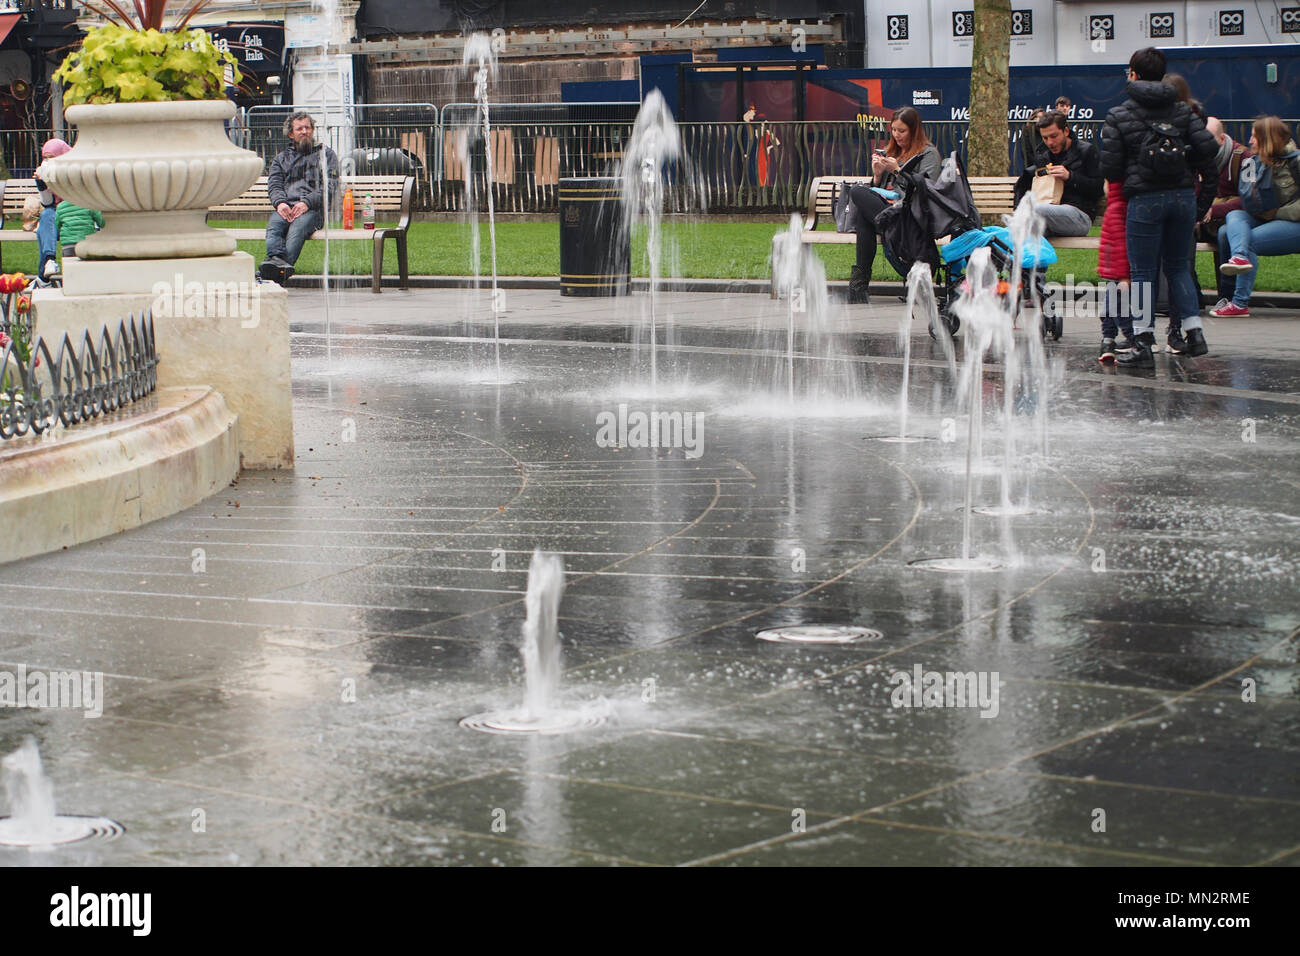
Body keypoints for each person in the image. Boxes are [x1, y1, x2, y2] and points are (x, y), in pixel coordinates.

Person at [1099, 47, 1217, 367]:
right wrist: (1198, 201)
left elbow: (1110, 169)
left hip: (1144, 201)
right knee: (1178, 267)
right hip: (1181, 198)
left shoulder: (1119, 114)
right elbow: (1209, 152)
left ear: (1133, 74)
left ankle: (1143, 345)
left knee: (1142, 274)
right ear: (1163, 75)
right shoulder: (1181, 112)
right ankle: (1194, 333)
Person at [846, 106, 942, 304]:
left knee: (857, 192)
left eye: (902, 131)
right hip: (888, 213)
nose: (897, 135)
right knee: (864, 214)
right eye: (894, 130)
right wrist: (878, 174)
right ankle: (859, 289)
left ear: (914, 131)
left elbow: (926, 190)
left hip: (910, 215)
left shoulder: (928, 155)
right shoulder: (893, 153)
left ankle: (858, 287)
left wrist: (898, 170)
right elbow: (879, 191)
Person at [1212, 116, 1300, 317]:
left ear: (1268, 139)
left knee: (1248, 240)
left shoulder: (1296, 161)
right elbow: (1248, 202)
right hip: (1267, 218)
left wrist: (1277, 213)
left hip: (1293, 222)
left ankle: (1240, 303)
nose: (1250, 141)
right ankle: (1231, 282)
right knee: (1229, 225)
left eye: (1254, 137)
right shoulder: (1252, 163)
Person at [261, 111, 339, 281]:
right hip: (286, 208)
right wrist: (280, 203)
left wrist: (306, 203)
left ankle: (270, 274)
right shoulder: (281, 159)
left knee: (297, 229)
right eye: (299, 129)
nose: (305, 131)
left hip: (313, 211)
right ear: (291, 134)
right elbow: (274, 185)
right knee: (274, 227)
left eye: (308, 127)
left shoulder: (326, 155)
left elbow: (330, 186)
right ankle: (276, 264)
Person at [1020, 110, 1103, 237]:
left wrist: (1070, 177)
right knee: (1026, 232)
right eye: (1045, 138)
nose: (1049, 143)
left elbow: (1098, 189)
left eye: (1054, 136)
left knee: (1036, 211)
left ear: (1066, 131)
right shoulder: (1043, 155)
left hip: (1080, 215)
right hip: (1048, 213)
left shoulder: (1086, 151)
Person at [1201, 116, 1250, 313]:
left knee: (1224, 232)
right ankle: (1186, 294)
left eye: (1209, 139)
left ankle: (1226, 295)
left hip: (1232, 220)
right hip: (1203, 220)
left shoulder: (1244, 157)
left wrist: (1214, 209)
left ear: (1222, 139)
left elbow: (1249, 199)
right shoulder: (1199, 158)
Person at [1096, 179, 1136, 363]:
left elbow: (1119, 246)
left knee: (1115, 302)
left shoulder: (1116, 209)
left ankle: (1129, 337)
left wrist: (1122, 275)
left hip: (1118, 270)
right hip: (1114, 268)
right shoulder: (1121, 207)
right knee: (1112, 301)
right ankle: (1109, 338)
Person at [34, 138, 71, 278]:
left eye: (52, 157)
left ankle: (42, 279)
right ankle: (50, 260)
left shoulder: (74, 170)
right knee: (46, 215)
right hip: (55, 217)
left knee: (42, 231)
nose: (48, 161)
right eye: (46, 158)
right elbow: (48, 204)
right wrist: (42, 186)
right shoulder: (45, 172)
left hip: (72, 214)